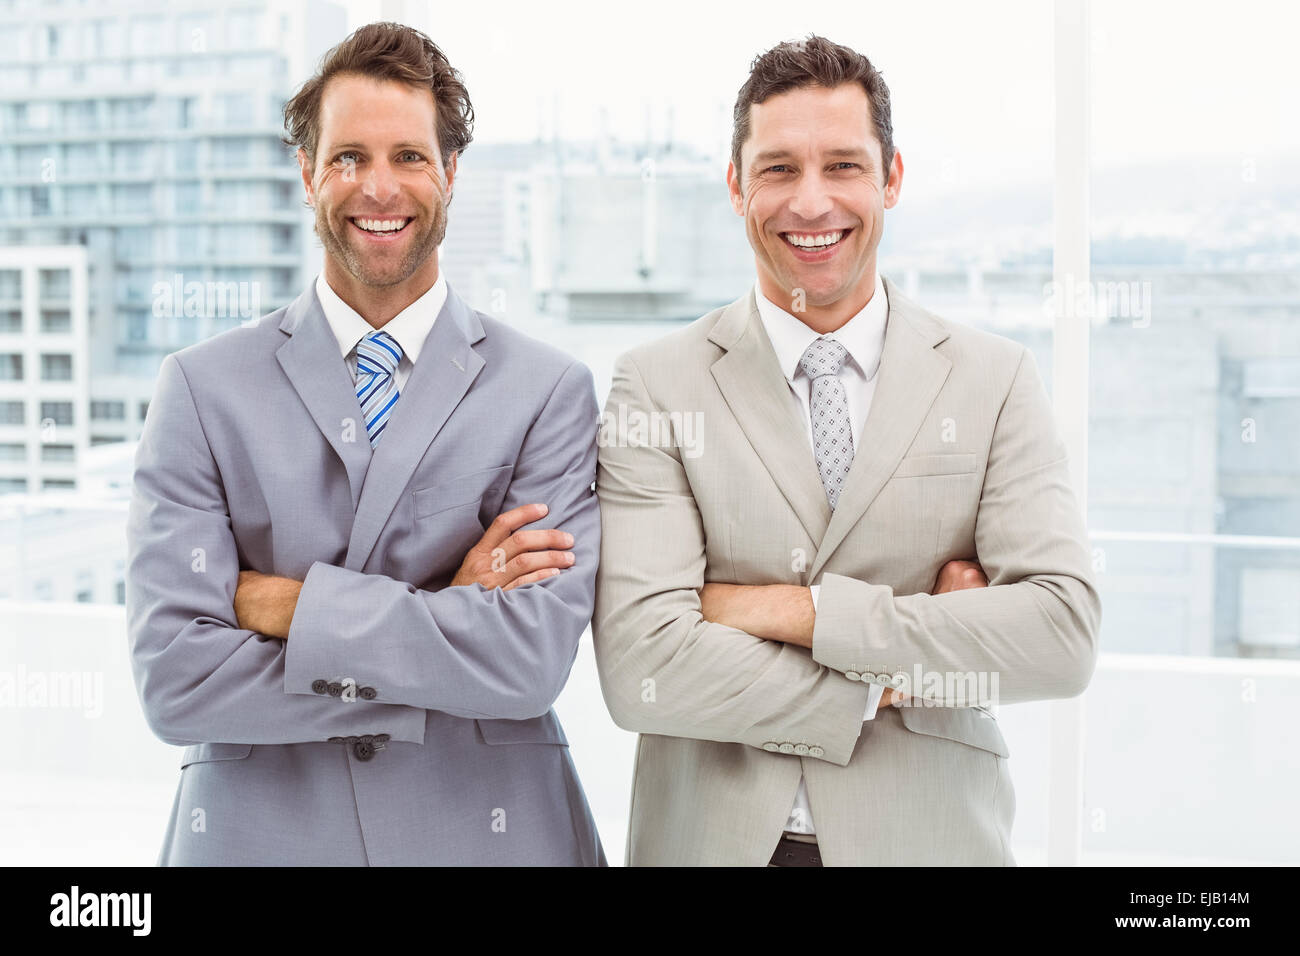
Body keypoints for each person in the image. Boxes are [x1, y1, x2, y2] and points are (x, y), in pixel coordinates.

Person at [592, 35, 1100, 866]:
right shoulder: (656, 386)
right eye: (780, 169)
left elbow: (1060, 637)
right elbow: (643, 666)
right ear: (736, 186)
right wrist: (903, 665)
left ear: (891, 179)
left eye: (844, 166)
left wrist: (793, 612)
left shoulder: (993, 379)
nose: (812, 202)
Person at [126, 21, 605, 866]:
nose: (378, 188)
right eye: (348, 157)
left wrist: (283, 606)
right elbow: (177, 679)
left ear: (450, 174)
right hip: (260, 839)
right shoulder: (200, 390)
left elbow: (527, 665)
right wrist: (443, 632)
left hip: (493, 836)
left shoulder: (547, 392)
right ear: (308, 173)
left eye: (409, 157)